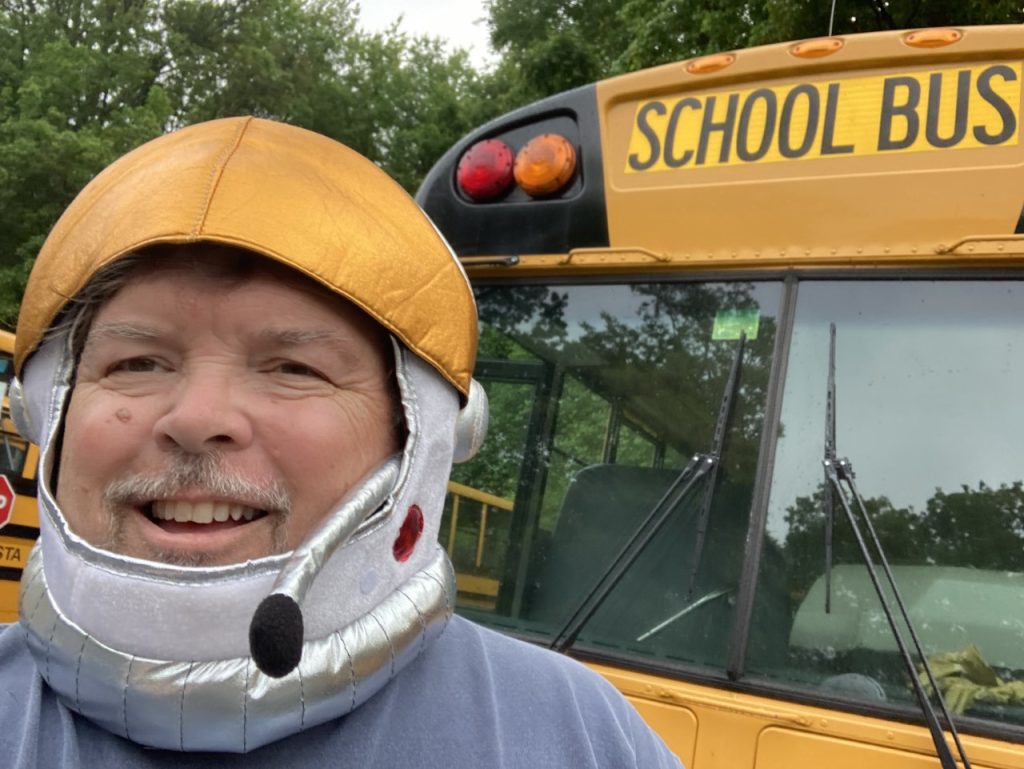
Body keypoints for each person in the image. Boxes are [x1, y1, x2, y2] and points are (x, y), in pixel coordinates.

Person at [0, 116, 683, 768]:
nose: (197, 417)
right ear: (42, 411)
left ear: (420, 433)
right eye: (137, 363)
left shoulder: (585, 742)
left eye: (293, 369)